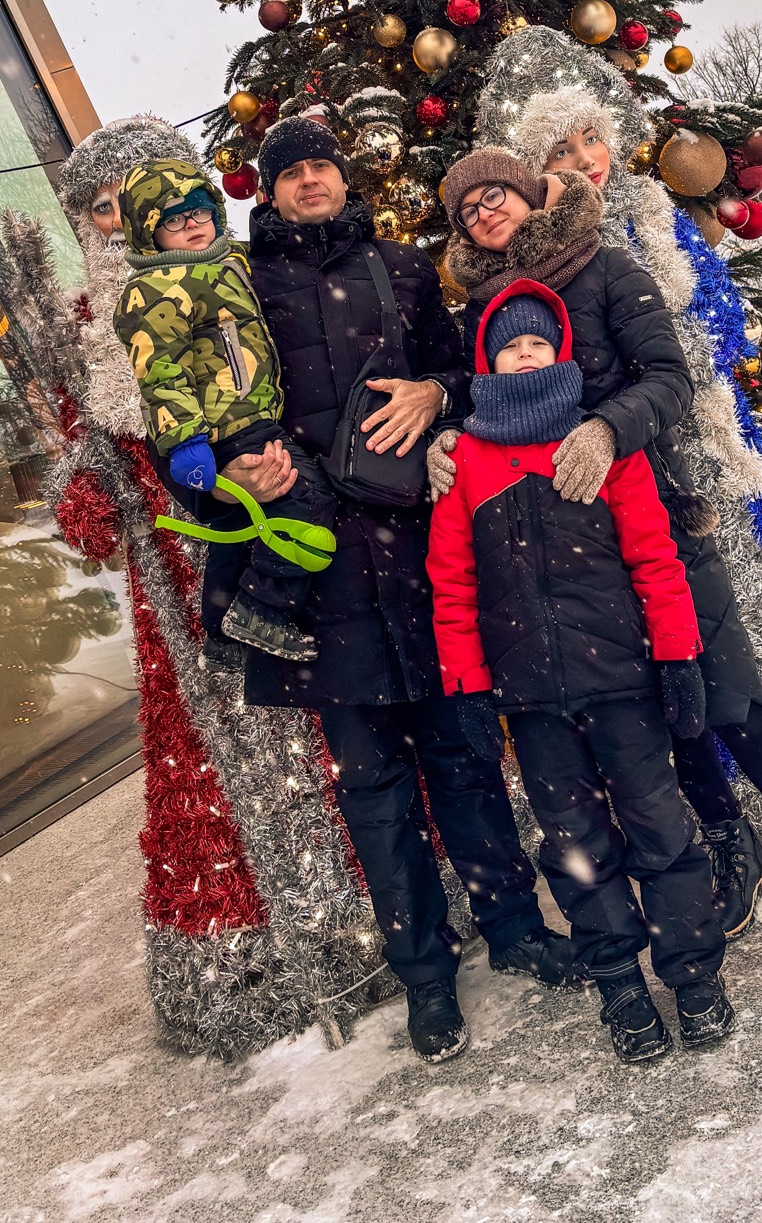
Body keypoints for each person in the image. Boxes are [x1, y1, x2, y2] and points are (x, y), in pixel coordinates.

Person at [462, 32, 762, 930]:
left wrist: (610, 428)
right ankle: (735, 840)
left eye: (587, 143)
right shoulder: (503, 284)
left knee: (726, 688)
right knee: (659, 700)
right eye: (557, 151)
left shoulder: (615, 251)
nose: (580, 164)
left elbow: (676, 367)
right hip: (586, 528)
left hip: (674, 500)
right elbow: (490, 384)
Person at [10, 116, 376, 1060]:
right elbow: (76, 456)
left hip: (282, 525)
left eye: (160, 189)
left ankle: (379, 911)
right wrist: (86, 485)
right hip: (177, 577)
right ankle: (245, 959)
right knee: (214, 759)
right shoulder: (88, 334)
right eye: (103, 207)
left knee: (333, 723)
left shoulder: (242, 276)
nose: (127, 218)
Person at [244, 115, 573, 1062]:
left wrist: (436, 390)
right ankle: (426, 978)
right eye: (293, 171)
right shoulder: (248, 288)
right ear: (268, 191)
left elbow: (473, 373)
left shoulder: (403, 267)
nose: (312, 181)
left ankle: (513, 930)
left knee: (465, 753)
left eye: (323, 165)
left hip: (426, 556)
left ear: (344, 177)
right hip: (325, 575)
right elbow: (221, 405)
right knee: (375, 792)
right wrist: (245, 469)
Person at [428, 277, 735, 1064]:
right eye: (509, 345)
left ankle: (693, 974)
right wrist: (466, 685)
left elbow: (655, 561)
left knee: (662, 828)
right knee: (577, 847)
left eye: (536, 341)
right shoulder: (464, 463)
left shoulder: (601, 446)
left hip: (623, 682)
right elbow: (453, 589)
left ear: (558, 350)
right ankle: (621, 986)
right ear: (487, 362)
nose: (524, 353)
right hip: (530, 701)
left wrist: (677, 656)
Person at [114, 156, 334, 662]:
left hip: (256, 414)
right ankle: (262, 606)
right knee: (305, 497)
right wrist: (187, 443)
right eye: (173, 218)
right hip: (226, 424)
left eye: (200, 211)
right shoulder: (155, 289)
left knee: (241, 523)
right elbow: (160, 371)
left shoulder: (229, 260)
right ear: (150, 233)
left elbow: (277, 242)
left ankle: (221, 628)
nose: (192, 224)